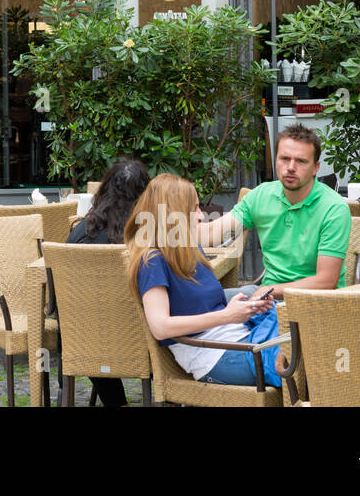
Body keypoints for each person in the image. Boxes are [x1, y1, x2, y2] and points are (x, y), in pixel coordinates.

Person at [127, 174, 277, 385]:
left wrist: (250, 305)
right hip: (210, 356)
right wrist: (227, 316)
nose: (200, 216)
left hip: (232, 337)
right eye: (194, 208)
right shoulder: (152, 261)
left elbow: (201, 301)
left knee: (301, 338)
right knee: (297, 356)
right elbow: (160, 327)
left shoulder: (186, 245)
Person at [198, 123, 351, 296]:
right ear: (275, 160)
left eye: (301, 161)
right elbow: (212, 233)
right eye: (284, 159)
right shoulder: (262, 195)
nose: (291, 167)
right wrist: (167, 233)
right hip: (267, 297)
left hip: (315, 303)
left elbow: (326, 281)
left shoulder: (334, 208)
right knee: (199, 301)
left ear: (316, 168)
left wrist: (268, 291)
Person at [65, 157, 150, 405]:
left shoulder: (80, 234)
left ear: (103, 191)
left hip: (87, 339)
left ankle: (116, 402)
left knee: (87, 327)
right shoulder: (149, 236)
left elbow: (59, 299)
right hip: (142, 337)